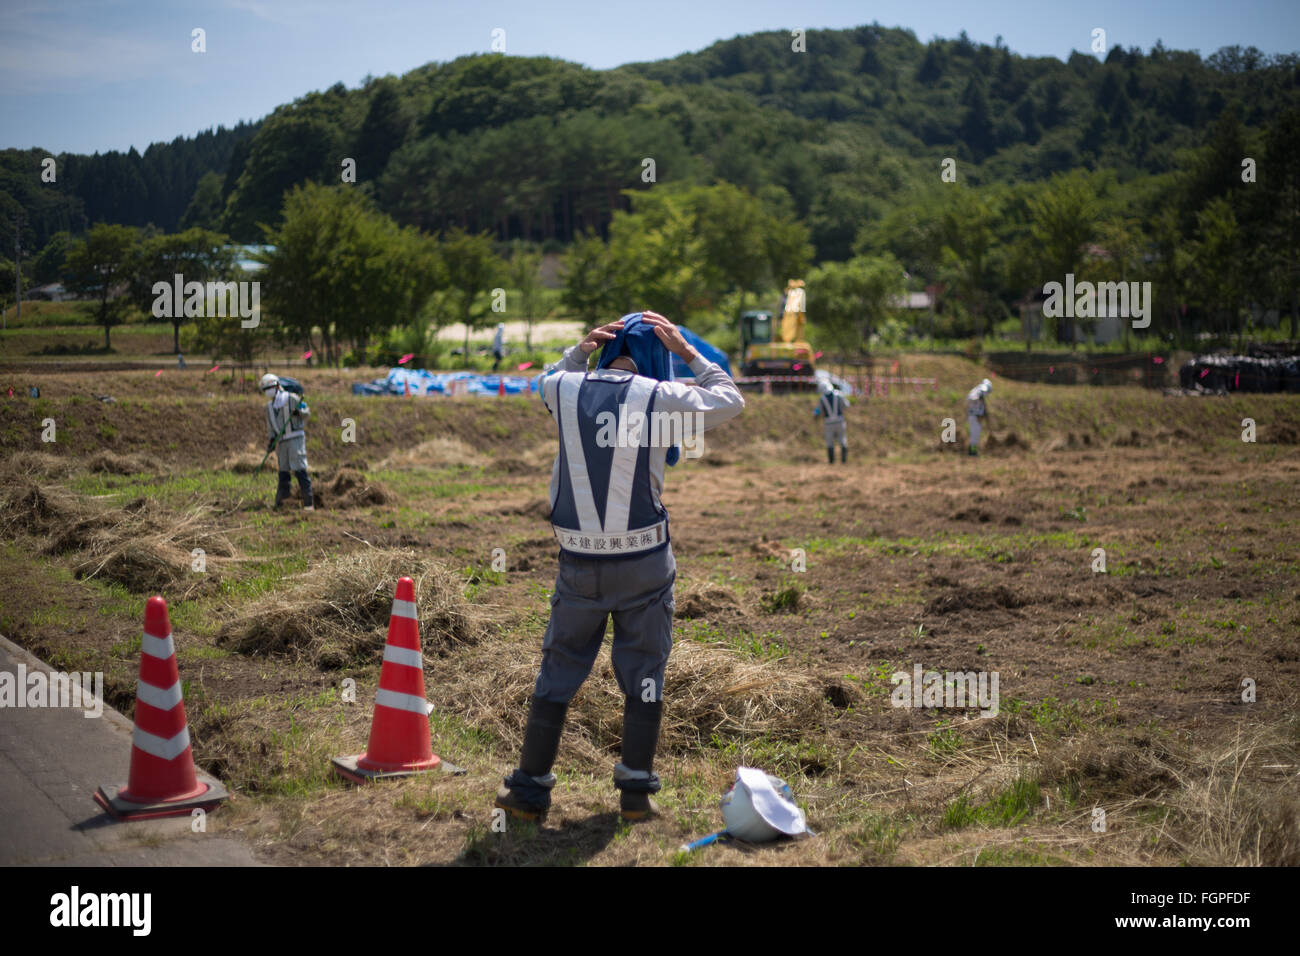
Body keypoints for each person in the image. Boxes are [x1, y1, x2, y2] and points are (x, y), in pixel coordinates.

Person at [495, 311, 745, 824]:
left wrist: (580, 349)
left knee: (557, 670)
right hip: (645, 561)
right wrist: (689, 353)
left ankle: (528, 792)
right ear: (659, 357)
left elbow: (544, 380)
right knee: (645, 672)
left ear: (606, 347)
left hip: (578, 562)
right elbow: (730, 399)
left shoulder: (563, 387)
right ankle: (634, 796)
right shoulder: (659, 395)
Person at [260, 373, 313, 511]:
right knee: (283, 470)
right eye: (266, 389)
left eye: (270, 387)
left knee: (299, 468)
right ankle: (282, 502)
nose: (268, 391)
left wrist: (299, 413)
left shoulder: (292, 398)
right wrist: (272, 440)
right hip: (282, 441)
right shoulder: (269, 407)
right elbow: (270, 425)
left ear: (278, 386)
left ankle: (308, 503)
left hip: (295, 438)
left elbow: (306, 412)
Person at [813, 380, 850, 463]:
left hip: (828, 423)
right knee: (842, 440)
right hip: (840, 421)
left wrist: (815, 416)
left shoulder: (822, 399)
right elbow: (847, 405)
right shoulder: (839, 395)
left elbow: (817, 411)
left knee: (830, 442)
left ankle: (831, 461)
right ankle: (844, 460)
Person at [966, 378, 992, 456]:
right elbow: (981, 392)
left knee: (975, 435)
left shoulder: (974, 391)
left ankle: (973, 451)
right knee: (975, 435)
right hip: (975, 416)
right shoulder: (981, 389)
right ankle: (972, 452)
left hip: (973, 415)